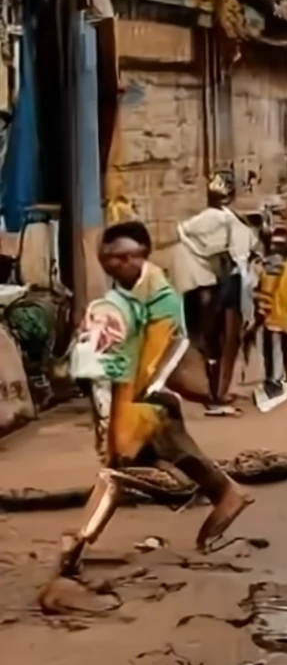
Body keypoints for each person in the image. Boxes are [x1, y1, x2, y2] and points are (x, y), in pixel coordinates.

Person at [60, 221, 251, 576]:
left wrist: (146, 390)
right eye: (109, 257)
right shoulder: (124, 296)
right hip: (134, 396)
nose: (113, 263)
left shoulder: (160, 296)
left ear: (140, 255)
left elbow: (170, 348)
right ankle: (220, 495)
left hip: (146, 401)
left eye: (122, 257)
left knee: (117, 472)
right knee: (155, 464)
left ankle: (79, 542)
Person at [171, 171, 256, 404]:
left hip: (212, 282)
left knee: (212, 340)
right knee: (225, 339)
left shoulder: (211, 221)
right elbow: (241, 255)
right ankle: (219, 392)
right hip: (229, 282)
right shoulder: (223, 219)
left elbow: (183, 231)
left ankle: (215, 391)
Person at [253, 227, 287, 413]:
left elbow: (261, 288)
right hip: (281, 314)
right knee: (280, 347)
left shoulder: (268, 265)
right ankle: (281, 377)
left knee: (270, 348)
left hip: (270, 313)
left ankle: (273, 378)